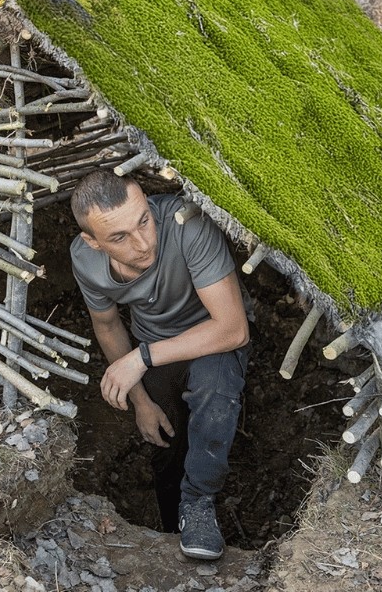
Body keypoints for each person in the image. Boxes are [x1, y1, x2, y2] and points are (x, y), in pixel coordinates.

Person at [68, 169, 251, 561]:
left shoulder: (187, 226)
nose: (143, 242)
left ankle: (199, 503)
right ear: (92, 241)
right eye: (119, 237)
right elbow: (107, 323)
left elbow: (233, 329)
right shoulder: (85, 260)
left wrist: (141, 358)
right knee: (164, 437)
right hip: (156, 348)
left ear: (149, 206)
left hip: (212, 339)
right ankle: (172, 528)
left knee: (213, 387)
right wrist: (140, 402)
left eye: (144, 221)